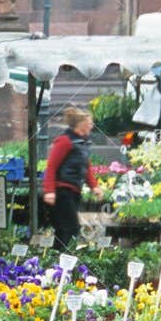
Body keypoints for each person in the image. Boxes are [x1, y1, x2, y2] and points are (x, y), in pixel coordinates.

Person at [42, 106, 98, 252]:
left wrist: (94, 186)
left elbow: (86, 166)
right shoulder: (65, 141)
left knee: (64, 228)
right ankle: (62, 257)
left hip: (73, 191)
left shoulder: (83, 142)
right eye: (90, 122)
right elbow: (52, 166)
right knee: (70, 227)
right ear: (81, 124)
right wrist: (49, 191)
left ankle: (57, 256)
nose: (92, 125)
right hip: (62, 191)